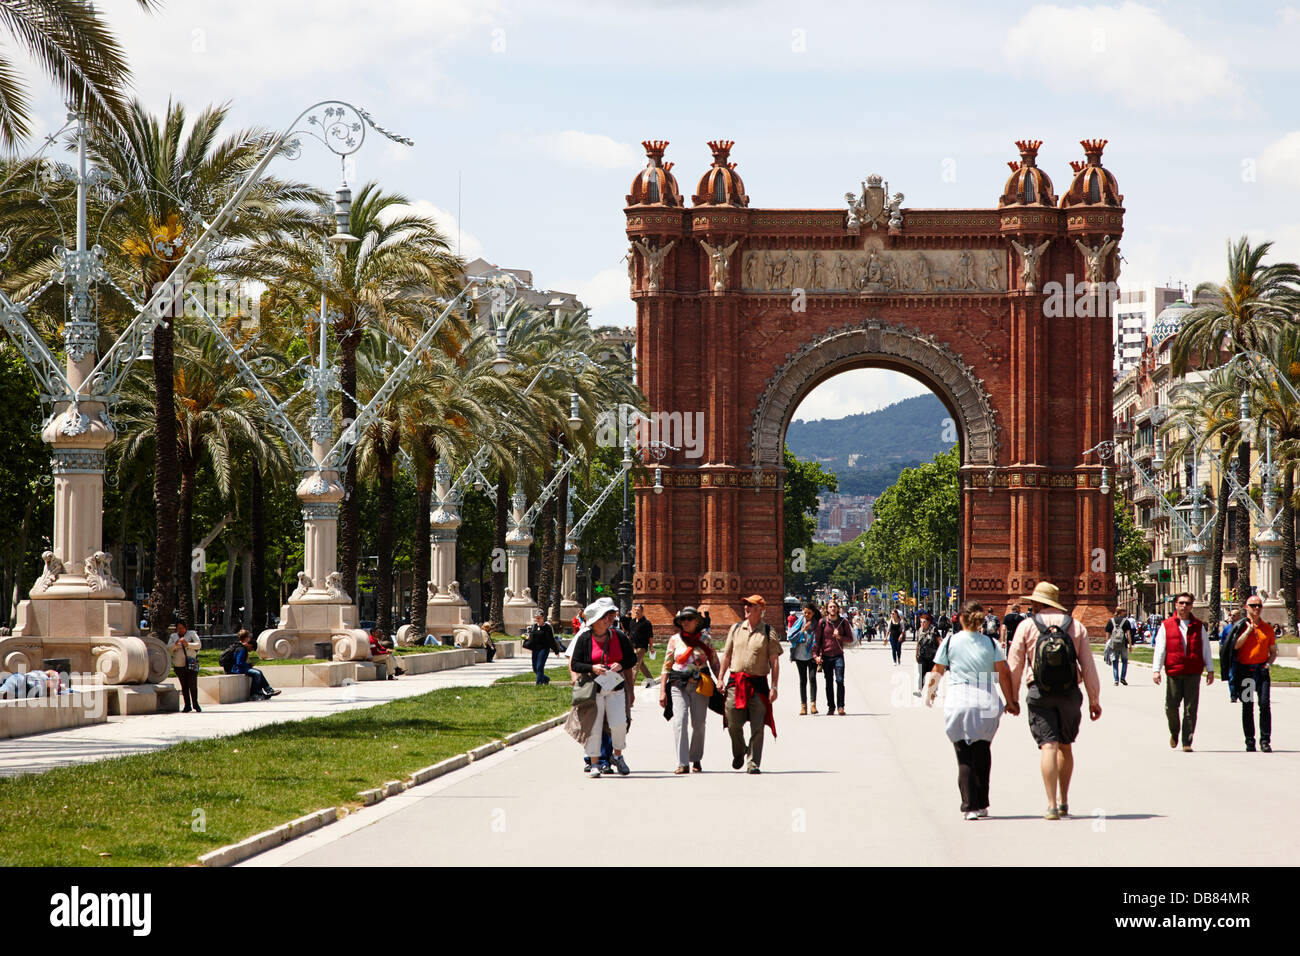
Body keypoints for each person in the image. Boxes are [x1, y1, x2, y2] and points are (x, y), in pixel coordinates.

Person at [1006, 581, 1102, 820]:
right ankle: (1064, 801)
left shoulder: (1026, 626)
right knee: (1065, 746)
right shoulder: (1076, 626)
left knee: (1048, 745)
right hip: (1070, 693)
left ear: (1037, 602)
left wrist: (1012, 698)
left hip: (1039, 692)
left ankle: (1050, 805)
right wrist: (1094, 699)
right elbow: (1088, 666)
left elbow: (1014, 665)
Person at [924, 600, 1019, 819]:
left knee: (964, 755)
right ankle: (983, 803)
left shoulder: (950, 642)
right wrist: (1011, 701)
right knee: (982, 752)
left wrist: (930, 693)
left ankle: (970, 807)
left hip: (959, 701)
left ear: (962, 618)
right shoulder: (991, 643)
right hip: (986, 701)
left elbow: (937, 669)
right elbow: (1003, 673)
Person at [567, 597, 635, 776]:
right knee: (594, 727)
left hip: (616, 687)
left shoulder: (619, 636)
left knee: (619, 724)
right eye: (605, 616)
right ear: (595, 620)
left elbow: (631, 659)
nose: (609, 619)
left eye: (610, 616)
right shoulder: (584, 638)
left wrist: (620, 664)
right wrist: (592, 668)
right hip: (593, 689)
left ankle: (618, 756)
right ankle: (595, 763)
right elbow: (575, 664)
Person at [719, 595, 781, 774]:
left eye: (750, 605)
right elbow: (727, 655)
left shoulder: (769, 632)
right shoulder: (736, 628)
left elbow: (774, 661)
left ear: (760, 609)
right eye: (745, 604)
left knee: (757, 726)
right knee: (733, 723)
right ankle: (739, 752)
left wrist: (774, 687)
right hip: (735, 682)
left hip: (758, 683)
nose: (745, 607)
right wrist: (721, 678)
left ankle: (753, 762)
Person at [658, 606, 721, 773]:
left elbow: (714, 662)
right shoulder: (674, 640)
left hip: (700, 684)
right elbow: (667, 666)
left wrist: (720, 680)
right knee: (679, 721)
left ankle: (696, 758)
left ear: (696, 621)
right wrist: (662, 690)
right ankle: (683, 762)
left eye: (689, 619)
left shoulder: (705, 639)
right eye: (683, 619)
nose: (685, 622)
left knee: (699, 723)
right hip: (678, 684)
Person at [1153, 592, 1214, 751]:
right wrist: (1156, 670)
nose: (1184, 606)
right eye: (1181, 603)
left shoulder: (1198, 625)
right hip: (1174, 671)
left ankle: (1187, 741)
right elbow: (1160, 648)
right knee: (1171, 706)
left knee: (1190, 708)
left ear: (1191, 606)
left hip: (1193, 671)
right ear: (1176, 605)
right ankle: (1174, 731)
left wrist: (1210, 669)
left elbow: (1205, 648)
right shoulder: (1167, 625)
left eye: (1187, 603)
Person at [1234, 595, 1278, 752]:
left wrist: (1268, 664)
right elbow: (1236, 646)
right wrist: (1248, 631)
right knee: (1248, 705)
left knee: (1265, 704)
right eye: (1253, 605)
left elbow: (1273, 651)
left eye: (1259, 605)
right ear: (1246, 607)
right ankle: (1249, 740)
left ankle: (1265, 740)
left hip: (1261, 672)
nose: (1256, 608)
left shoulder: (1267, 628)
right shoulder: (1240, 626)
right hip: (1246, 671)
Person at [814, 599, 853, 715]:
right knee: (829, 682)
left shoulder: (843, 622)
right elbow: (817, 641)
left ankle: (841, 706)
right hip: (826, 656)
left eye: (834, 607)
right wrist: (815, 655)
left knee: (840, 680)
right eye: (830, 607)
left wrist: (840, 637)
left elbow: (850, 639)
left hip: (838, 656)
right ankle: (831, 707)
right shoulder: (822, 623)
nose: (832, 609)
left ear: (837, 609)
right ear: (827, 609)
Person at [232, 629, 281, 700]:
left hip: (239, 668)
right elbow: (239, 663)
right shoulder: (241, 648)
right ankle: (254, 694)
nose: (249, 639)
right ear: (246, 638)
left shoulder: (240, 646)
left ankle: (268, 690)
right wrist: (249, 665)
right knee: (257, 673)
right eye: (249, 637)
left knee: (259, 672)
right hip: (238, 669)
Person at [789, 603, 819, 715]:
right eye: (805, 612)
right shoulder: (799, 623)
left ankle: (813, 705)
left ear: (813, 613)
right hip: (799, 655)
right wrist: (802, 630)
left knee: (812, 678)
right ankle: (803, 706)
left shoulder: (817, 624)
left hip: (812, 655)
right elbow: (791, 637)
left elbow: (819, 639)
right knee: (803, 680)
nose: (806, 615)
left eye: (809, 613)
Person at [168, 621, 202, 713]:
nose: (181, 630)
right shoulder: (173, 636)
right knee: (184, 685)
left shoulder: (191, 634)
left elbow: (198, 644)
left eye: (182, 628)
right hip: (179, 665)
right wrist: (176, 645)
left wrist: (188, 644)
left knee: (192, 684)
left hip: (191, 664)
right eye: (179, 628)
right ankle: (187, 705)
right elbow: (169, 648)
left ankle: (195, 704)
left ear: (186, 628)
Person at [524, 609, 556, 685]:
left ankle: (539, 683)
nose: (537, 619)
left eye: (539, 618)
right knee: (535, 668)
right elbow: (531, 636)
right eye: (536, 618)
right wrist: (527, 638)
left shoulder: (547, 627)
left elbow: (551, 640)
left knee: (540, 666)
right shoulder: (534, 626)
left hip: (544, 649)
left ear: (543, 618)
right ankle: (546, 679)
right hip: (535, 649)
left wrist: (556, 650)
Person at [628, 603, 657, 688]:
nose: (636, 612)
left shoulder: (646, 623)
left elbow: (650, 636)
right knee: (641, 665)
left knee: (635, 665)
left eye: (638, 610)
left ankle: (630, 685)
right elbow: (630, 634)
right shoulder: (632, 621)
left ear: (642, 611)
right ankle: (651, 680)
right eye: (635, 610)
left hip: (641, 646)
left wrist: (651, 647)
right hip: (632, 646)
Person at [1219, 607, 1244, 698]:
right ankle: (1233, 695)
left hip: (1242, 655)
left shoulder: (1243, 627)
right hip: (1231, 655)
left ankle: (1241, 693)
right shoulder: (1227, 629)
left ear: (1239, 617)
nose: (1231, 617)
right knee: (1232, 675)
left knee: (1241, 676)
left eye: (1234, 615)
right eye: (1230, 615)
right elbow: (1223, 642)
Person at [1103, 606, 1132, 686]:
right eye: (1124, 611)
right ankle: (1122, 677)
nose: (1125, 613)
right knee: (1124, 661)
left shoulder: (1111, 621)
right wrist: (1130, 645)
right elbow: (1128, 634)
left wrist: (1107, 643)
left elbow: (1107, 633)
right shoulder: (1126, 622)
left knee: (1115, 662)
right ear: (1121, 612)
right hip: (1123, 644)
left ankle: (1116, 680)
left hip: (1113, 644)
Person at [915, 612, 940, 695]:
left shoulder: (934, 630)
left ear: (929, 622)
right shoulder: (919, 630)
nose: (922, 623)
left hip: (933, 656)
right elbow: (918, 643)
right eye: (921, 622)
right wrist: (916, 654)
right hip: (922, 656)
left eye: (924, 622)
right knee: (921, 673)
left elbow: (939, 641)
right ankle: (919, 690)